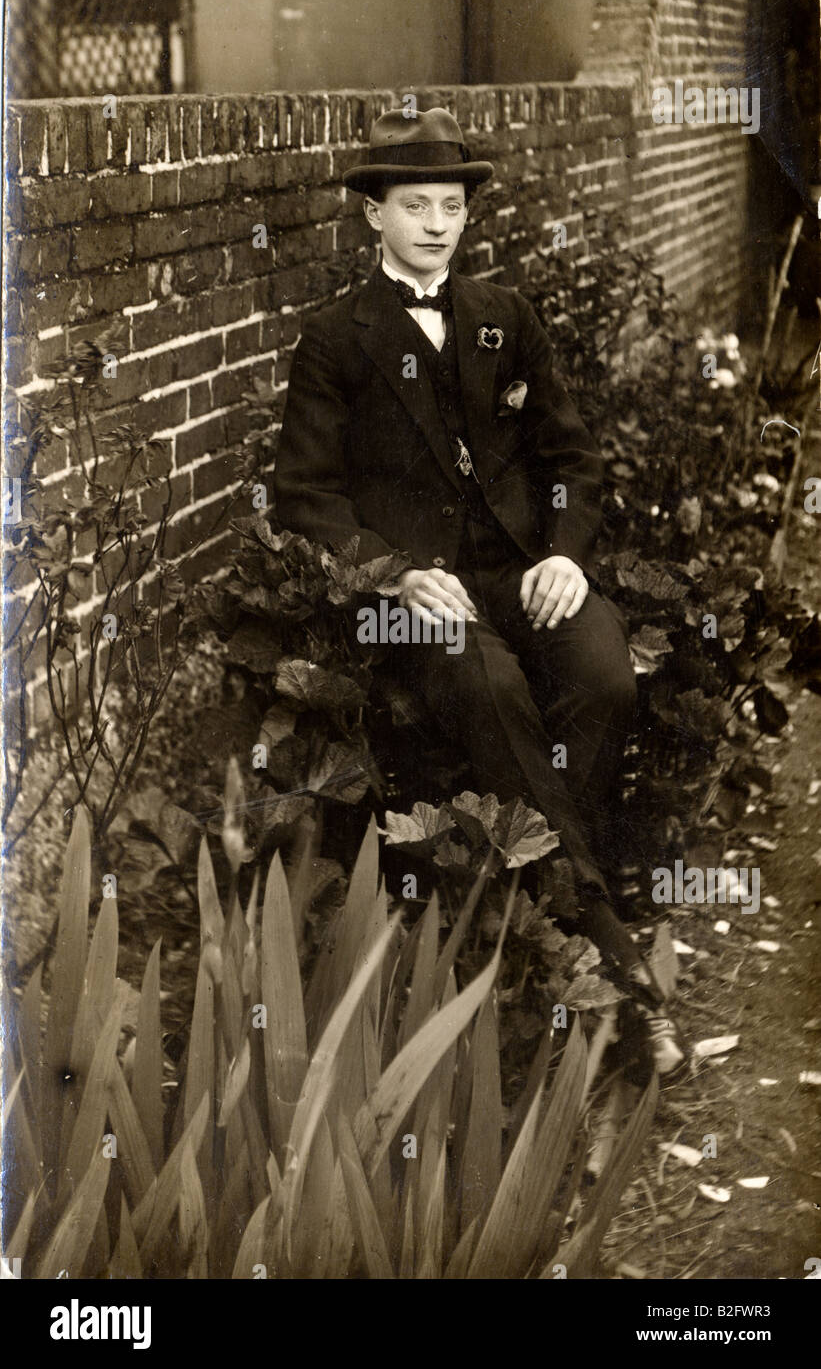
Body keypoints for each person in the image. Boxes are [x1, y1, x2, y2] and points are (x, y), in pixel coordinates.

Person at [274, 106, 686, 1078]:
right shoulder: (335, 338)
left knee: (600, 671)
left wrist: (565, 554)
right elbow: (304, 499)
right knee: (491, 689)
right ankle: (609, 958)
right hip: (414, 596)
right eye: (412, 204)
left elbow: (569, 457)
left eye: (449, 205)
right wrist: (394, 574)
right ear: (371, 215)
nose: (434, 224)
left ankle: (536, 905)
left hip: (513, 572)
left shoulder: (505, 315)